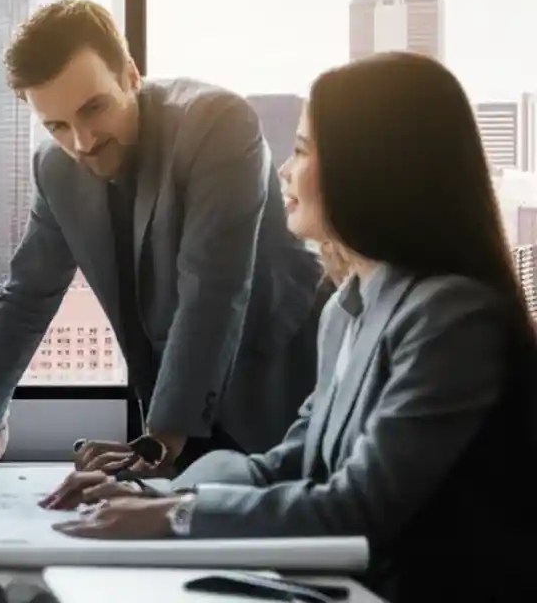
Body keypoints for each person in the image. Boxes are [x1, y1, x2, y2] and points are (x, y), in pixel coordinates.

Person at [41, 52, 537, 602]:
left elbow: (357, 504)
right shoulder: (346, 308)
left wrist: (177, 514)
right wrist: (149, 494)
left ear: (372, 165)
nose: (284, 170)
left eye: (301, 150)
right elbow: (291, 463)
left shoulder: (452, 319)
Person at [0, 0, 321, 471]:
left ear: (130, 76)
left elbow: (211, 288)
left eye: (94, 108)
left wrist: (159, 440)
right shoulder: (56, 168)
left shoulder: (215, 123)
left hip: (276, 387)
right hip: (172, 407)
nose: (82, 141)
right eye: (56, 125)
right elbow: (25, 298)